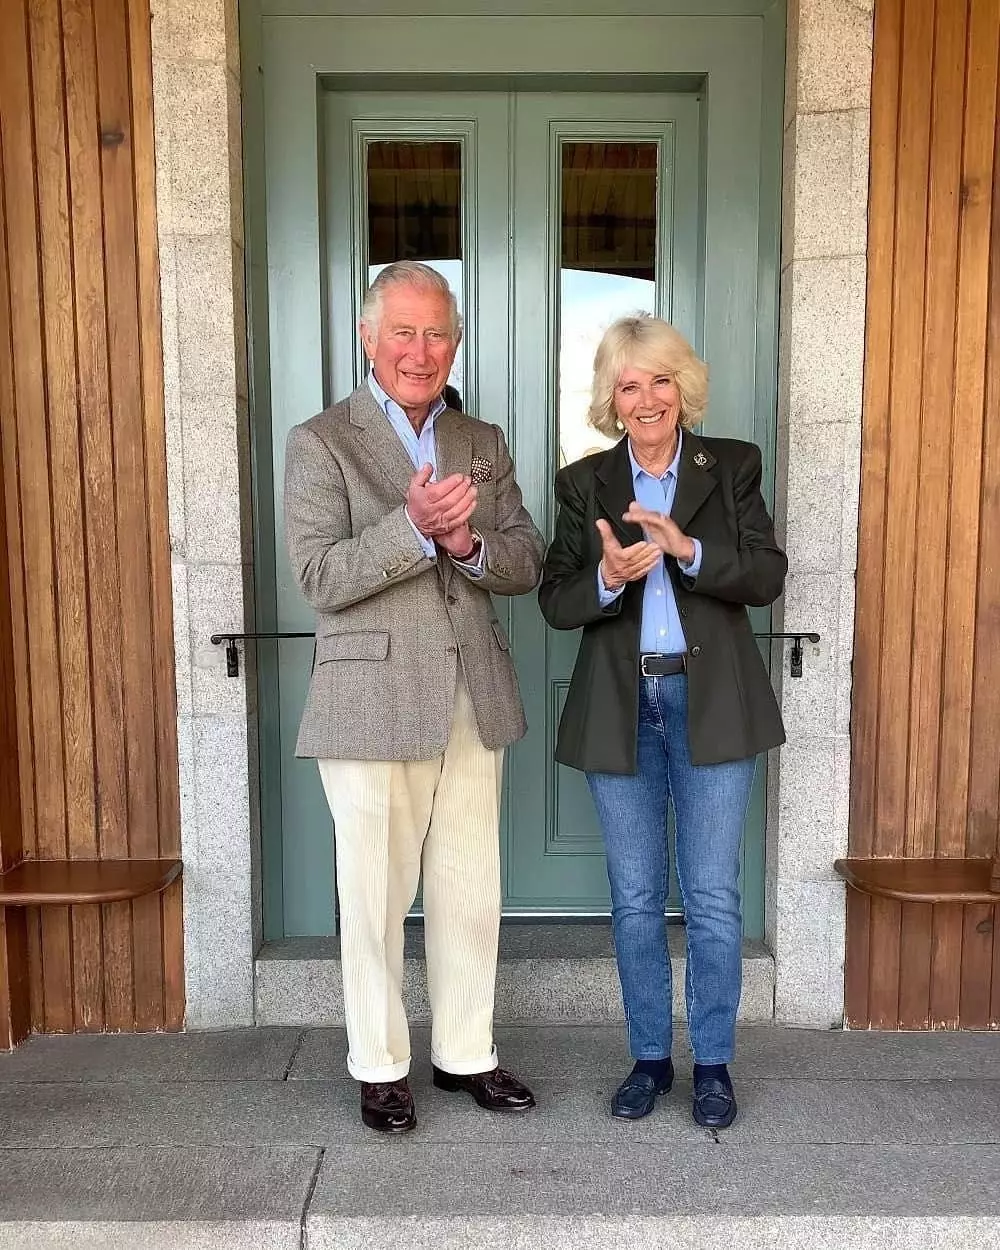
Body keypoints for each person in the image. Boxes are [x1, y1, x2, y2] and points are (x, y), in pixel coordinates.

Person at [284, 261, 545, 1134]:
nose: (421, 351)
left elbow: (525, 560)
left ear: (456, 341)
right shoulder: (322, 440)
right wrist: (413, 529)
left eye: (437, 333)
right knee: (374, 892)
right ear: (368, 337)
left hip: (473, 691)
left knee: (471, 887)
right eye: (402, 331)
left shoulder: (483, 440)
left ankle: (466, 1052)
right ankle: (380, 1063)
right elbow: (318, 575)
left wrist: (469, 541)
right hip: (370, 698)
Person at [538, 314, 786, 1129]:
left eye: (660, 380)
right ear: (612, 398)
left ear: (684, 387)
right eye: (629, 384)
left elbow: (766, 576)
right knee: (636, 897)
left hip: (710, 703)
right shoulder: (584, 484)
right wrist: (607, 579)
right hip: (623, 707)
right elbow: (555, 600)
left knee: (712, 897)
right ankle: (650, 1057)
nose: (646, 399)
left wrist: (689, 553)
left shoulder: (733, 466)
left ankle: (712, 1062)